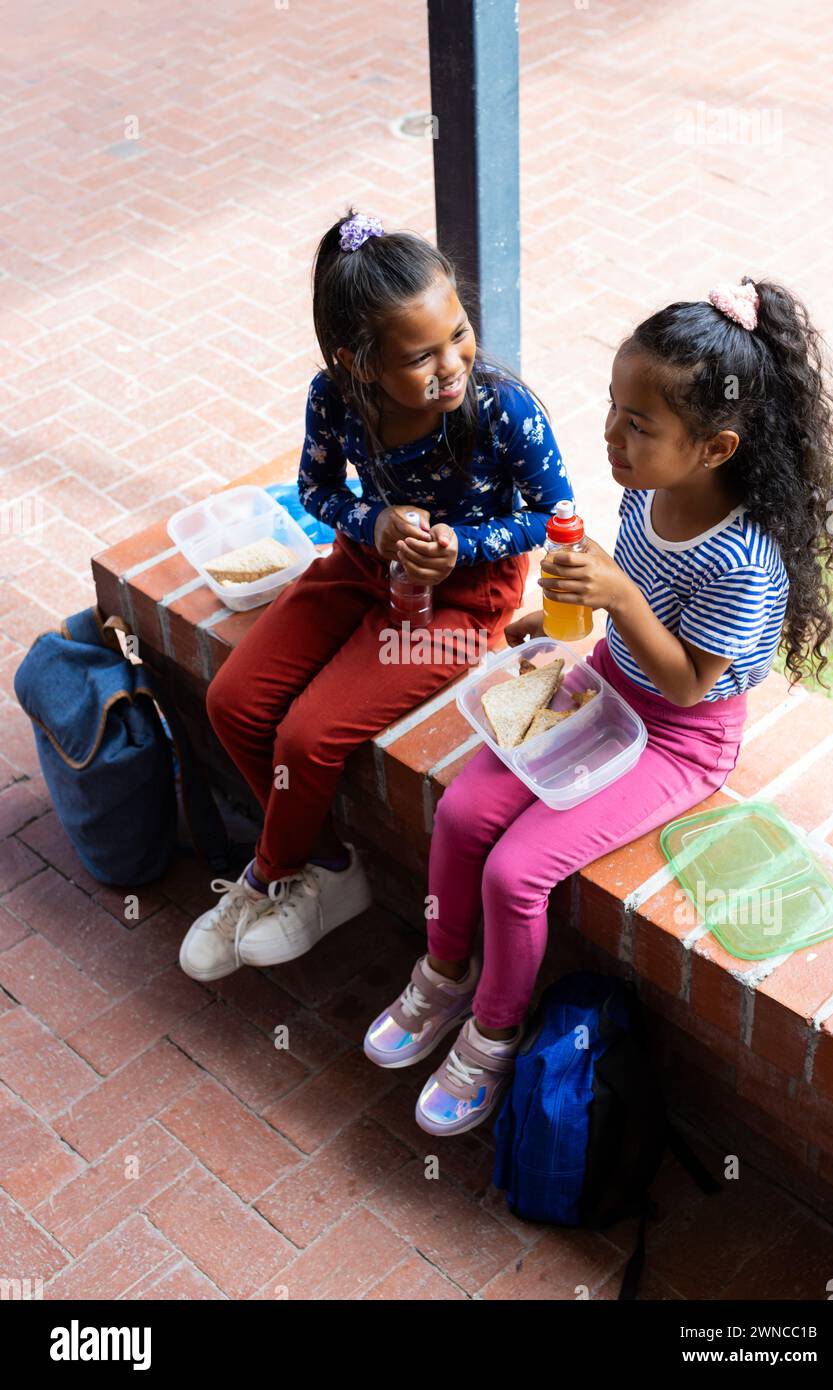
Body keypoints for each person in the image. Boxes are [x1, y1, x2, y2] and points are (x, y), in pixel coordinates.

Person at [364, 276, 833, 1137]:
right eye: (612, 409)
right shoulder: (644, 492)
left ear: (714, 447)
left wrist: (620, 599)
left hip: (677, 739)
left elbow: (689, 684)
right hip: (605, 685)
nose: (610, 435)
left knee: (518, 872)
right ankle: (443, 974)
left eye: (639, 424)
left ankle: (494, 1030)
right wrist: (568, 607)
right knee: (464, 814)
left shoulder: (744, 562)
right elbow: (626, 599)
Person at [179, 207, 573, 982]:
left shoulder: (502, 410)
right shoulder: (333, 398)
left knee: (306, 736)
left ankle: (266, 877)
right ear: (354, 362)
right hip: (363, 564)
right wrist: (376, 521)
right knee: (233, 702)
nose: (452, 364)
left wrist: (465, 543)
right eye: (420, 357)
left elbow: (552, 516)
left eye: (457, 333)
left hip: (464, 604)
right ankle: (324, 868)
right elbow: (316, 490)